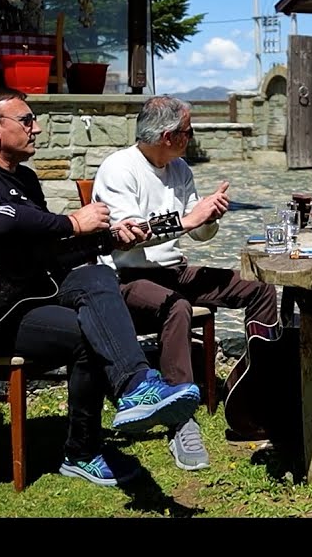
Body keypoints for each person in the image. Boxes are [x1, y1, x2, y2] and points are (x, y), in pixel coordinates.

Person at [0, 87, 202, 488]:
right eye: (26, 120)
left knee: (97, 277)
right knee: (90, 332)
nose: (36, 128)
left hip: (21, 303)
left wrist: (109, 239)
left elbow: (47, 254)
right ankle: (87, 448)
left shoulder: (25, 179)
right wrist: (73, 222)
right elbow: (2, 219)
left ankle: (134, 389)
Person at [91, 95, 280, 472]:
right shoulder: (119, 168)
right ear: (168, 135)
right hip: (127, 277)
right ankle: (180, 418)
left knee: (259, 287)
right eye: (188, 131)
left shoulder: (179, 168)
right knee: (175, 305)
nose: (191, 138)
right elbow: (131, 236)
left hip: (173, 271)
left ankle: (258, 384)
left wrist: (209, 218)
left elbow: (197, 233)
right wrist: (190, 219)